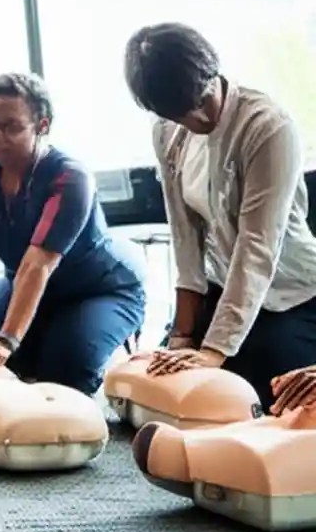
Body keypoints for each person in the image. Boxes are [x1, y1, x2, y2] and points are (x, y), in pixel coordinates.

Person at [124, 22, 316, 408]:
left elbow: (257, 247)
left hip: (291, 295)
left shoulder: (267, 127)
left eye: (199, 104)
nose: (195, 120)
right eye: (180, 115)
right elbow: (184, 235)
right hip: (221, 286)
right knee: (157, 385)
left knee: (251, 394)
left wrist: (213, 351)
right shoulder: (167, 130)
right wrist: (182, 336)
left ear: (211, 74)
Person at [0, 72, 147, 394]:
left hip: (98, 289)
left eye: (10, 126)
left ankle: (113, 342)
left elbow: (37, 264)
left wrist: (8, 340)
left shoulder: (70, 177)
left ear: (42, 125)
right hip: (24, 285)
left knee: (65, 373)